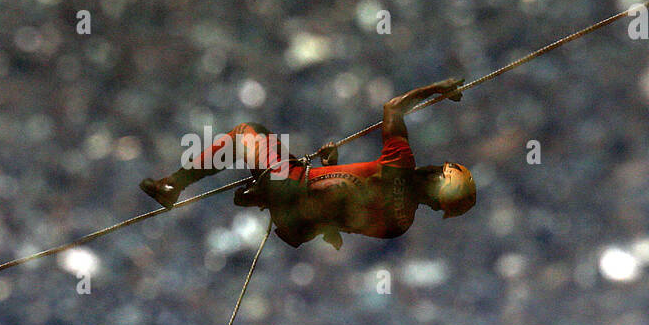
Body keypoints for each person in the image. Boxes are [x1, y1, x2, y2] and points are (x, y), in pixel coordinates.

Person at [139, 77, 476, 248]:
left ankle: (174, 185)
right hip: (295, 228)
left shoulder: (402, 163)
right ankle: (264, 192)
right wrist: (333, 165)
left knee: (247, 133)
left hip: (292, 186)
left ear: (437, 178)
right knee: (290, 173)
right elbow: (341, 214)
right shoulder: (400, 225)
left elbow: (393, 107)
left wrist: (439, 88)